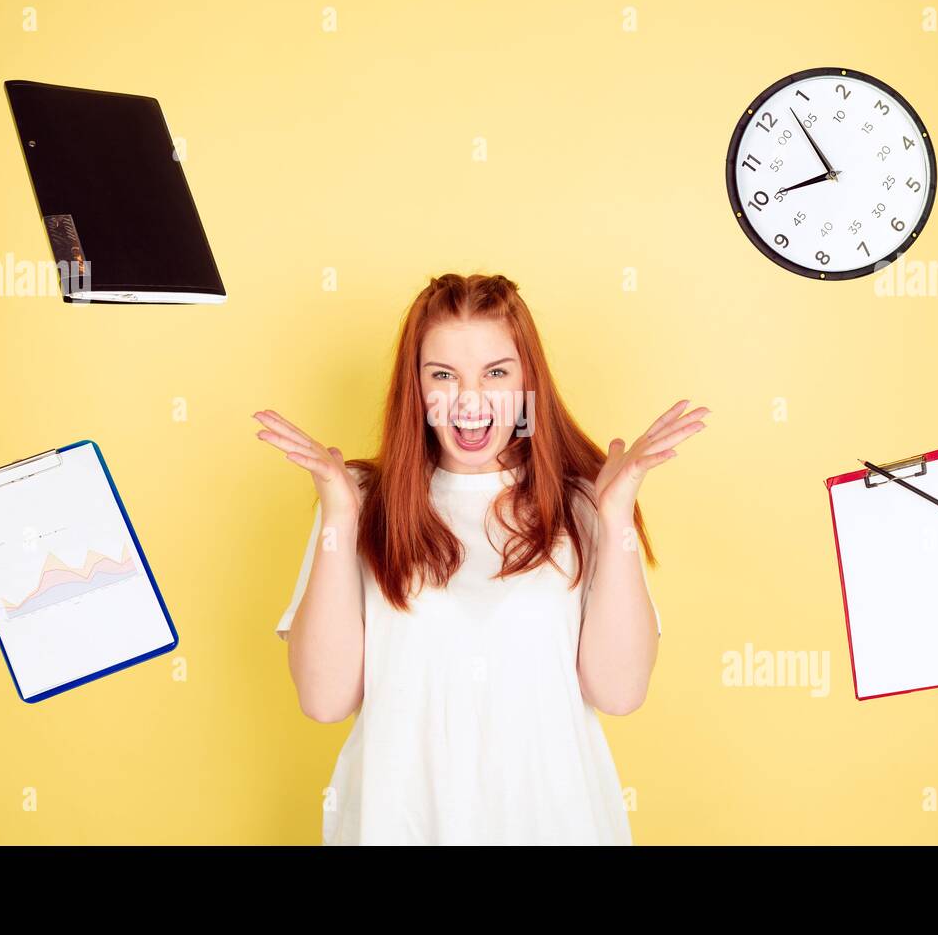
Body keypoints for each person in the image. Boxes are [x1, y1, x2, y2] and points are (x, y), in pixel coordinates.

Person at [254, 272, 708, 844]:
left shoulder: (585, 504)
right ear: (415, 390)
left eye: (496, 372)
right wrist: (340, 520)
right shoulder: (359, 502)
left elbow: (619, 693)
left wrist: (614, 517)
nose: (470, 400)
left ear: (527, 383)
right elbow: (325, 700)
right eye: (443, 375)